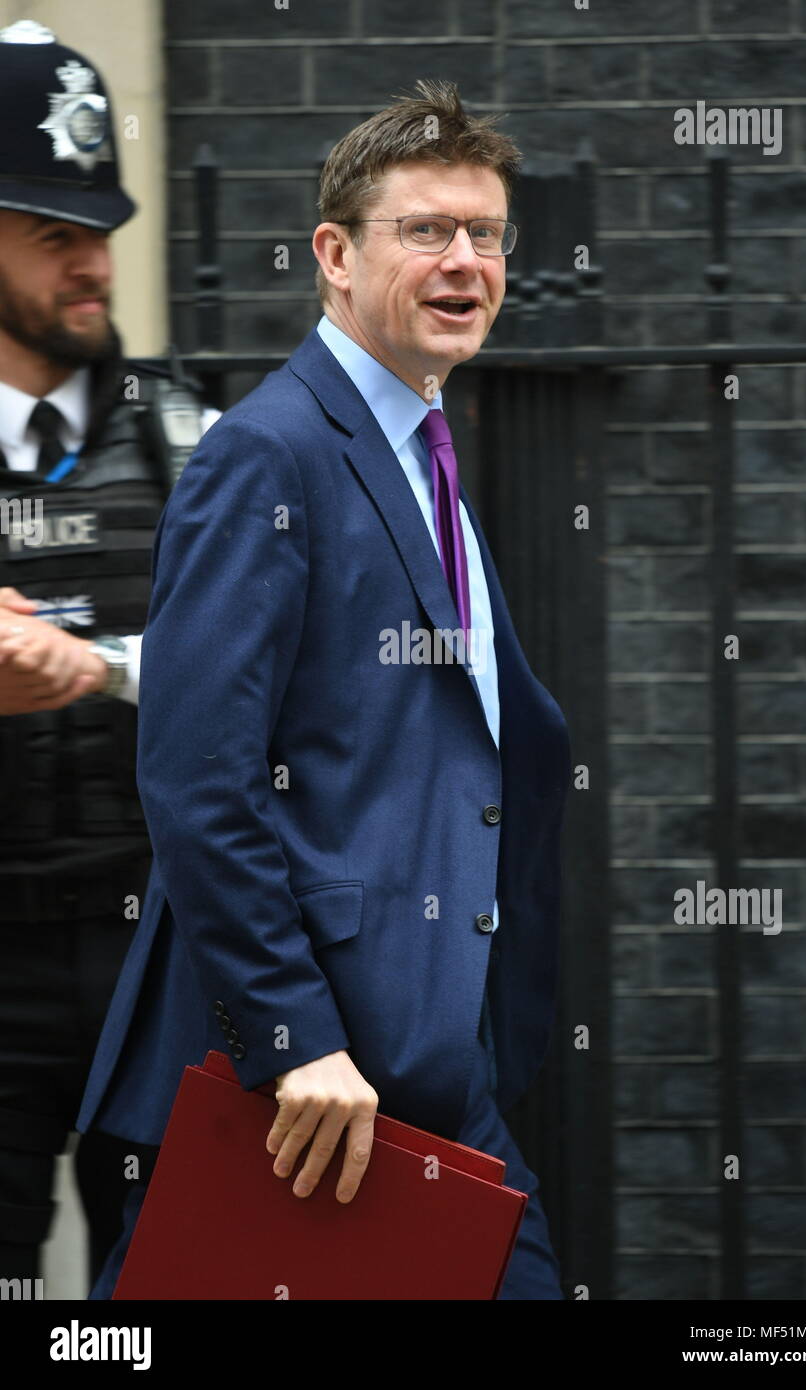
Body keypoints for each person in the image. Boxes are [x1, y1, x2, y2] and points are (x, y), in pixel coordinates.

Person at [78, 78, 572, 1300]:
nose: (466, 261)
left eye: (487, 233)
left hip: (426, 1048)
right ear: (336, 257)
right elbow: (196, 776)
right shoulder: (268, 452)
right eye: (426, 230)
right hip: (309, 1076)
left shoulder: (419, 449)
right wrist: (294, 1036)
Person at [0, 19, 212, 1291]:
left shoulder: (197, 440)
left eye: (102, 229)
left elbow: (286, 681)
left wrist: (99, 664)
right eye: (52, 233)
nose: (94, 264)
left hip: (162, 961)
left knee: (158, 1297)